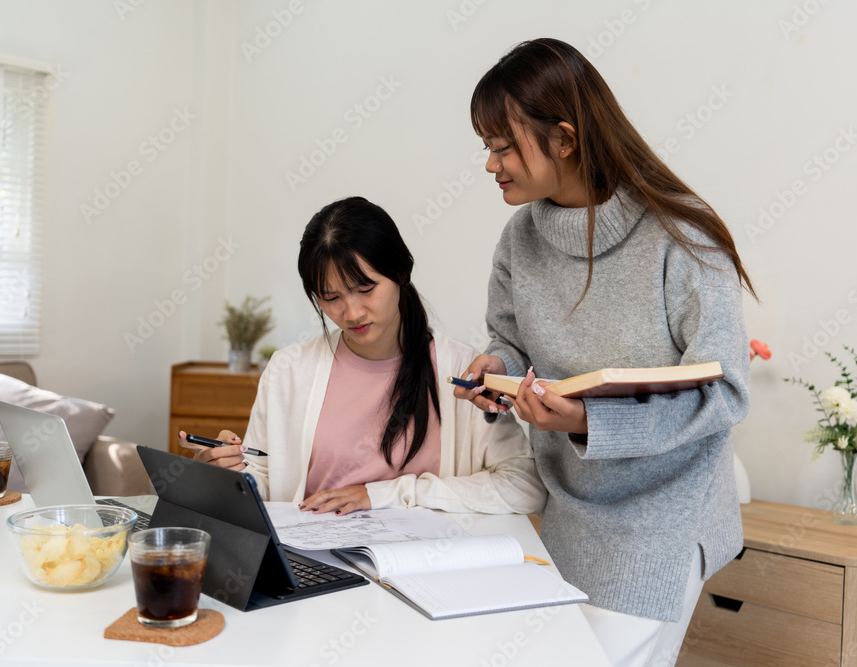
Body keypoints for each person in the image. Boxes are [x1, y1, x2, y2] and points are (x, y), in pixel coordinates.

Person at [454, 38, 753, 667]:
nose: (491, 164)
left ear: (564, 138)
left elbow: (725, 393)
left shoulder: (682, 236)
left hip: (664, 521)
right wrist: (497, 370)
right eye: (487, 146)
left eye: (503, 146)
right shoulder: (520, 238)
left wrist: (591, 421)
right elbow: (510, 339)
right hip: (568, 514)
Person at [180, 196, 547, 517]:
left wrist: (387, 495)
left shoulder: (462, 373)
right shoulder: (289, 371)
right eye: (331, 297)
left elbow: (525, 486)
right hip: (317, 566)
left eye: (365, 288)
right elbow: (265, 479)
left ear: (401, 271)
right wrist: (228, 477)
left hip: (425, 573)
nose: (352, 312)